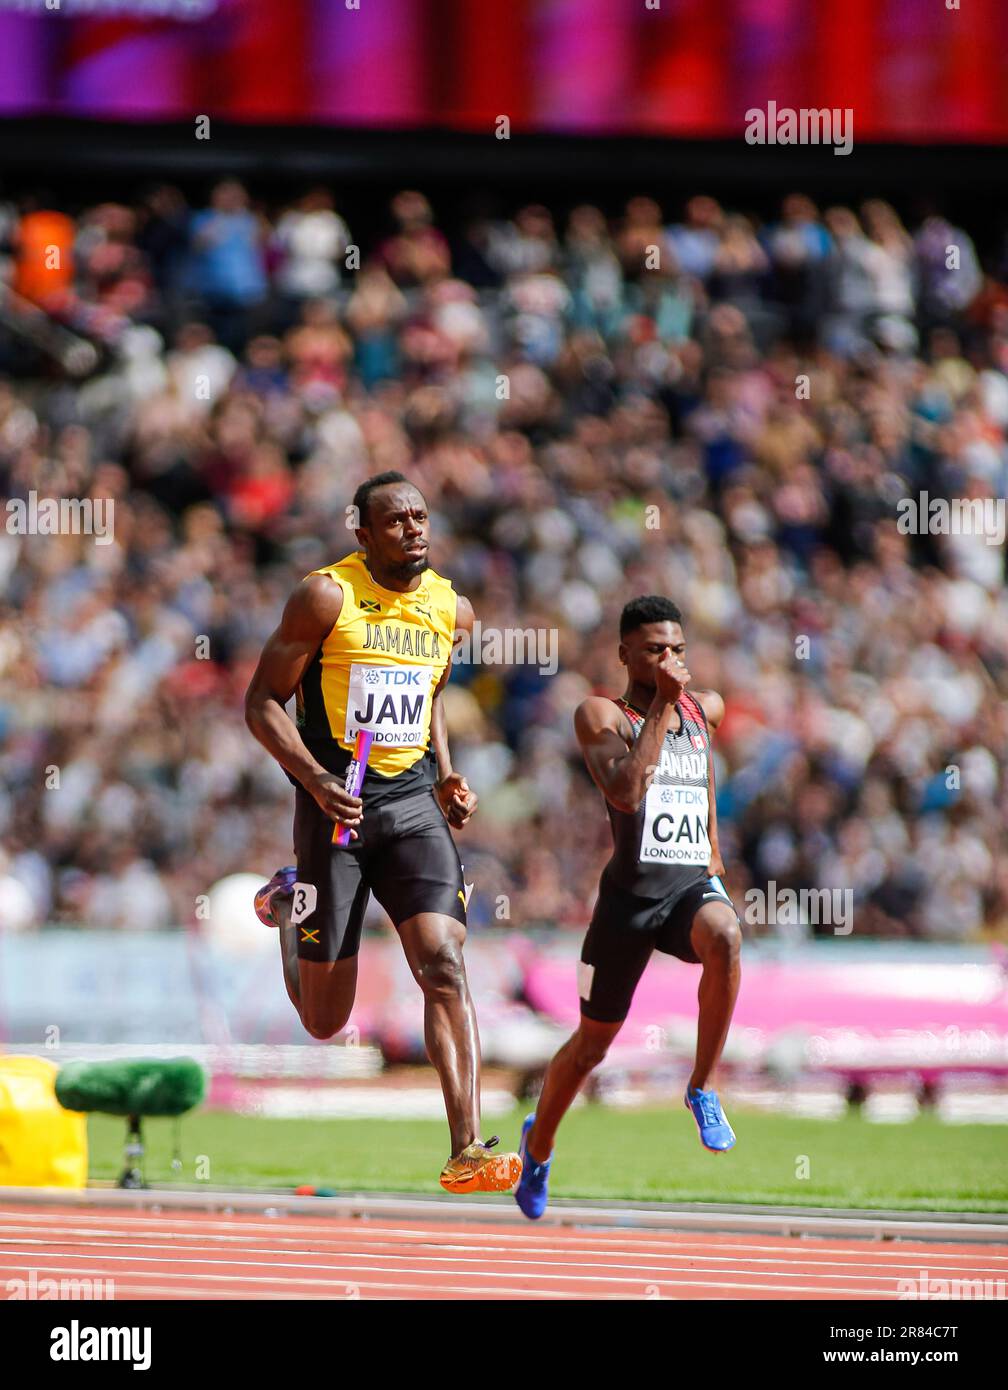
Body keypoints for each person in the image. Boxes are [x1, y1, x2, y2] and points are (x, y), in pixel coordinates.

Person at [245, 471, 520, 1193]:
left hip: (411, 809)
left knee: (443, 963)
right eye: (395, 520)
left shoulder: (449, 608)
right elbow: (262, 704)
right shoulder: (325, 596)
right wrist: (315, 780)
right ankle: (288, 904)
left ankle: (467, 1148)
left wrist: (445, 774)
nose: (413, 529)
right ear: (362, 532)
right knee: (324, 1021)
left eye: (421, 517)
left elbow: (429, 697)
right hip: (336, 808)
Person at [514, 595, 742, 1219]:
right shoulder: (600, 715)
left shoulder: (705, 709)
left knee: (725, 934)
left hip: (689, 887)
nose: (669, 660)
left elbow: (719, 719)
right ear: (624, 655)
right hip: (628, 902)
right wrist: (664, 704)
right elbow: (625, 791)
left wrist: (715, 848)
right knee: (592, 1044)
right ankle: (539, 1146)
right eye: (653, 650)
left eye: (677, 650)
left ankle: (701, 1086)